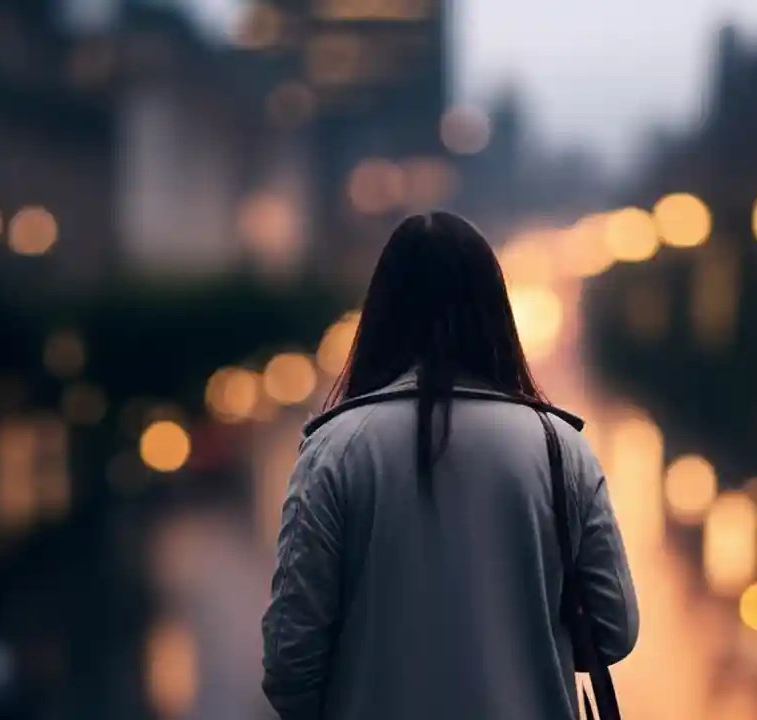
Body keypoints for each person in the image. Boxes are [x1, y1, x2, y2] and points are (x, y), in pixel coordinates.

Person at [261, 212, 638, 719]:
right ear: (494, 311)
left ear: (380, 314)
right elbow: (614, 630)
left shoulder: (334, 452)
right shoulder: (558, 448)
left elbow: (289, 667)